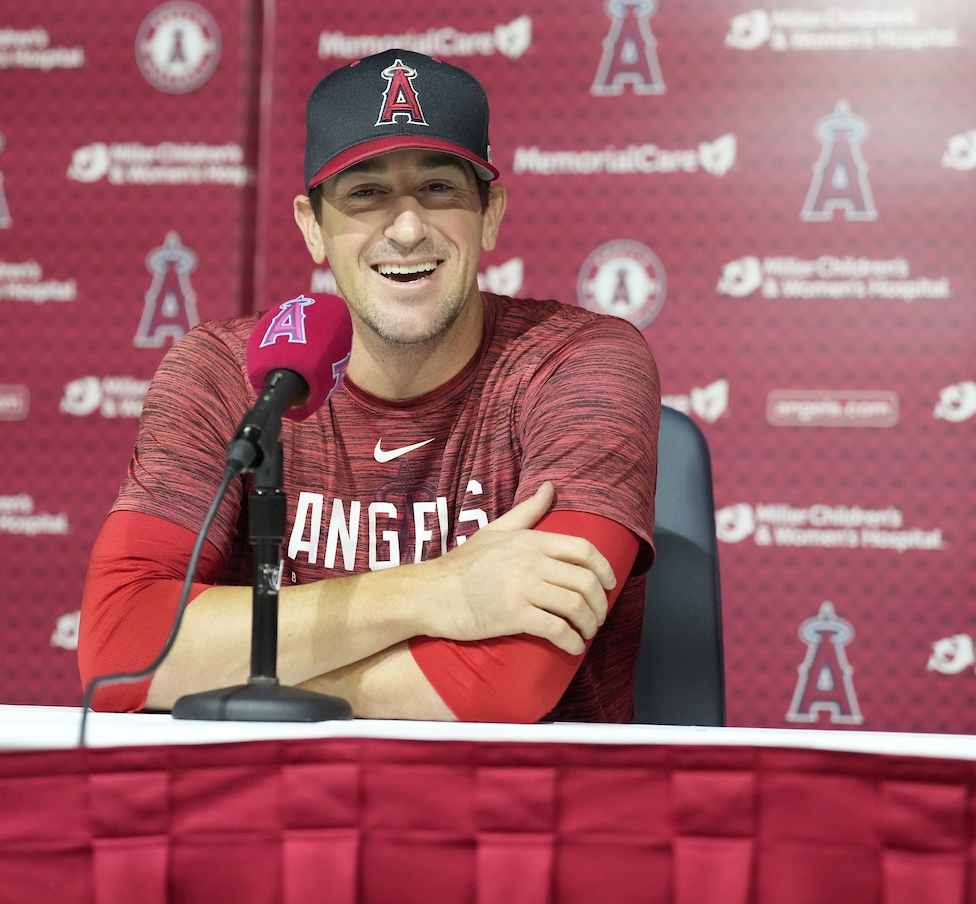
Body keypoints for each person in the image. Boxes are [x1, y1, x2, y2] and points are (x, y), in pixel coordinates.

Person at [78, 49, 659, 722]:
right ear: (311, 227)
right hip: (276, 803)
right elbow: (122, 648)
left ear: (490, 214)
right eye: (365, 193)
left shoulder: (578, 362)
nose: (407, 229)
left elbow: (505, 681)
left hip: (510, 808)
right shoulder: (226, 374)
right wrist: (437, 591)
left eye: (440, 189)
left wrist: (245, 675)